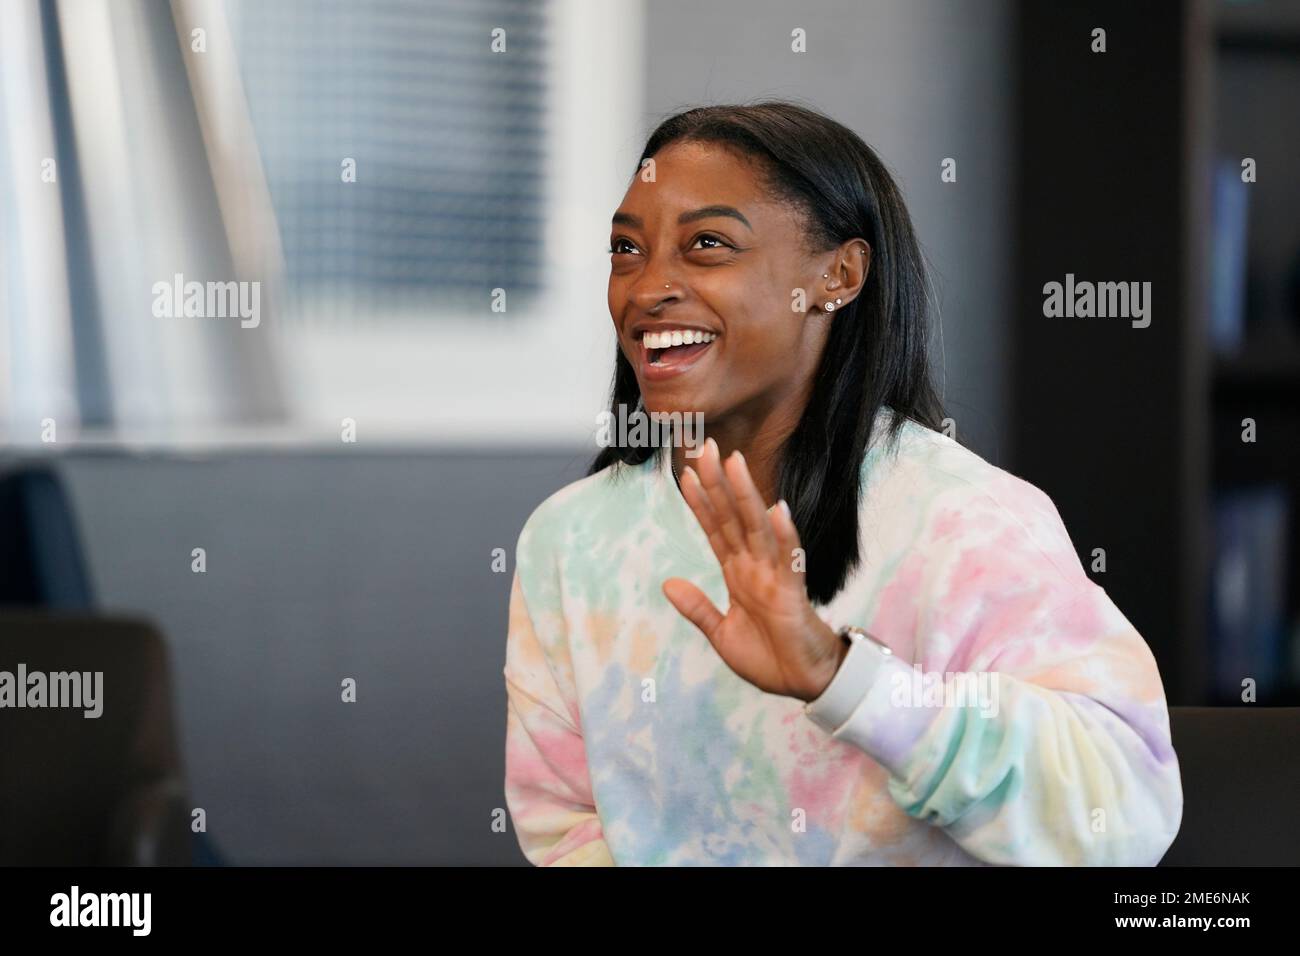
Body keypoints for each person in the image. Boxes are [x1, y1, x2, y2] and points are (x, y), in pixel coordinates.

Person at [502, 101, 1183, 866]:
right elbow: (566, 826)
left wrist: (842, 676)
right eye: (626, 250)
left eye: (707, 245)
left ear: (839, 275)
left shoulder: (967, 521)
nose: (646, 287)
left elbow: (1122, 811)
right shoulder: (572, 538)